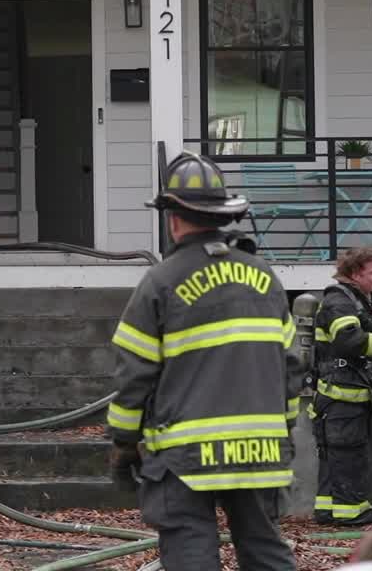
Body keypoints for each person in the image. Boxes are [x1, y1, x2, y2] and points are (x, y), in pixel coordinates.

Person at [107, 150, 300, 571]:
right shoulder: (266, 279)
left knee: (191, 554)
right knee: (266, 551)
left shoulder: (160, 282)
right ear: (221, 216)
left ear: (172, 218)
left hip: (185, 458)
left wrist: (123, 443)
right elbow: (290, 369)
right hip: (261, 453)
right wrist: (283, 433)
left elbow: (134, 376)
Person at [311, 246, 372, 526]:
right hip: (342, 398)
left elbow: (362, 326)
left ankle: (327, 510)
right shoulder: (338, 302)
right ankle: (351, 512)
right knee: (348, 455)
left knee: (335, 456)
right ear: (354, 274)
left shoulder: (352, 300)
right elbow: (349, 341)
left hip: (343, 398)